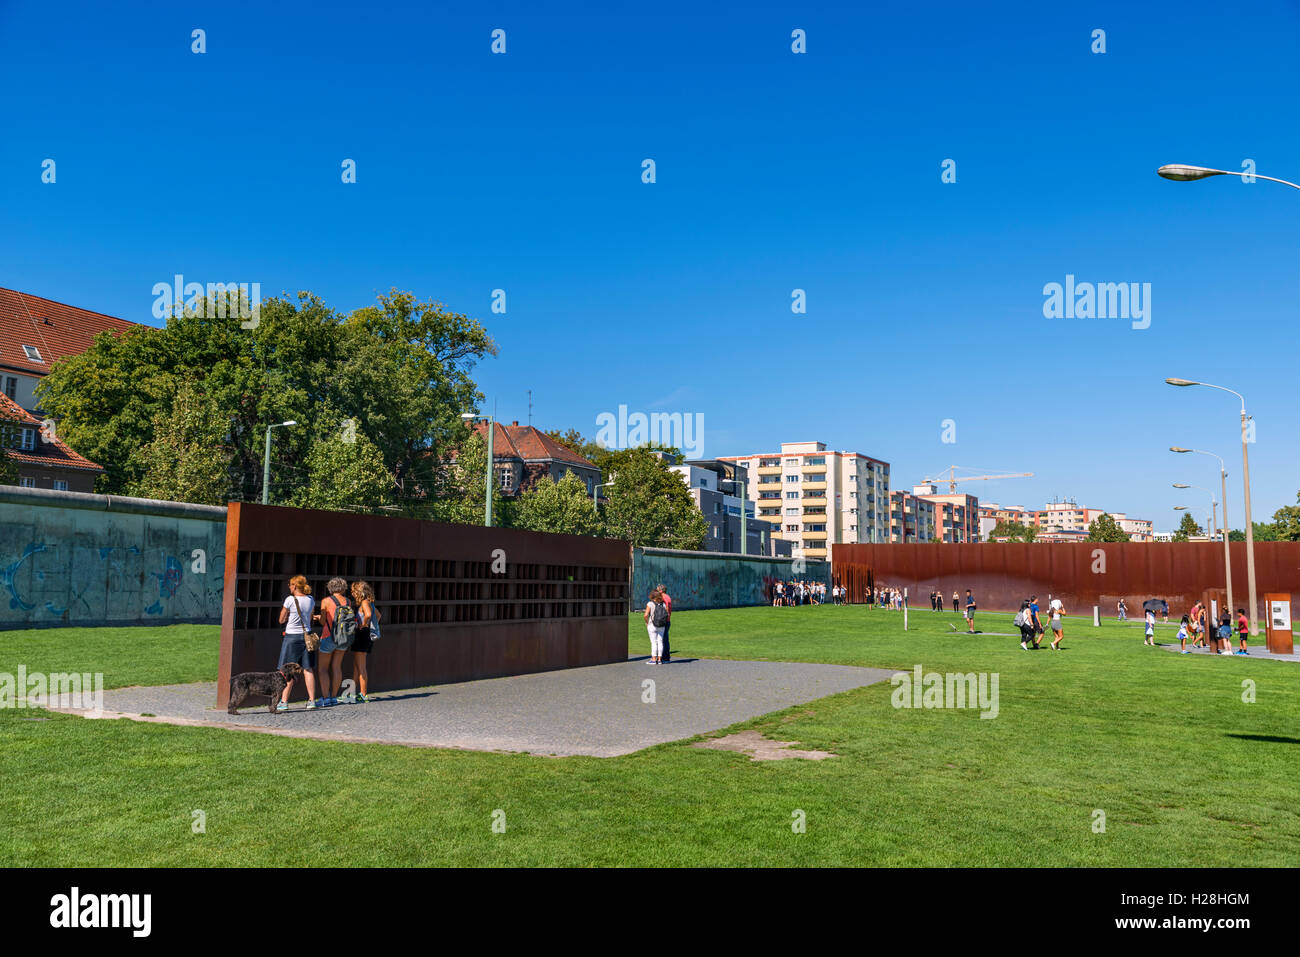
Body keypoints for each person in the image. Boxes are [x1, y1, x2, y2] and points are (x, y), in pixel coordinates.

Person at [277, 575, 318, 710]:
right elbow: (310, 616)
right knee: (308, 669)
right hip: (307, 636)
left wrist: (289, 615)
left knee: (287, 670)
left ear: (294, 586)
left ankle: (284, 702)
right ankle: (312, 700)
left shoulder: (290, 599)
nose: (289, 587)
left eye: (290, 584)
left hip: (292, 637)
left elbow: (281, 620)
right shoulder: (311, 599)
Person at [315, 577, 356, 707]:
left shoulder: (326, 601)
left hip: (329, 636)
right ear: (343, 588)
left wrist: (317, 617)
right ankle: (333, 697)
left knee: (322, 669)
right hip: (344, 638)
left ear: (330, 587)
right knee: (337, 666)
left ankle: (325, 698)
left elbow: (323, 622)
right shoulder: (348, 601)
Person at [349, 580, 380, 703]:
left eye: (353, 591)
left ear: (358, 592)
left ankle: (363, 694)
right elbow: (378, 615)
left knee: (361, 667)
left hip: (362, 635)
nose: (351, 593)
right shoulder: (370, 602)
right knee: (357, 666)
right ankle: (352, 693)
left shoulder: (364, 602)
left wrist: (363, 624)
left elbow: (368, 614)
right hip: (366, 636)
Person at [644, 588, 668, 664]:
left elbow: (646, 615)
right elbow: (667, 614)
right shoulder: (663, 604)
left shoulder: (650, 603)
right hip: (661, 625)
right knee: (660, 641)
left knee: (653, 642)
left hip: (652, 625)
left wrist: (647, 622)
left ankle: (654, 659)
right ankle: (660, 659)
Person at [657, 583, 673, 663]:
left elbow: (666, 608)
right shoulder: (668, 596)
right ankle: (664, 656)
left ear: (661, 590)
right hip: (667, 620)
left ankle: (665, 657)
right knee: (664, 639)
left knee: (663, 639)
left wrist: (663, 617)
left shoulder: (663, 597)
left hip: (664, 620)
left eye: (657, 589)